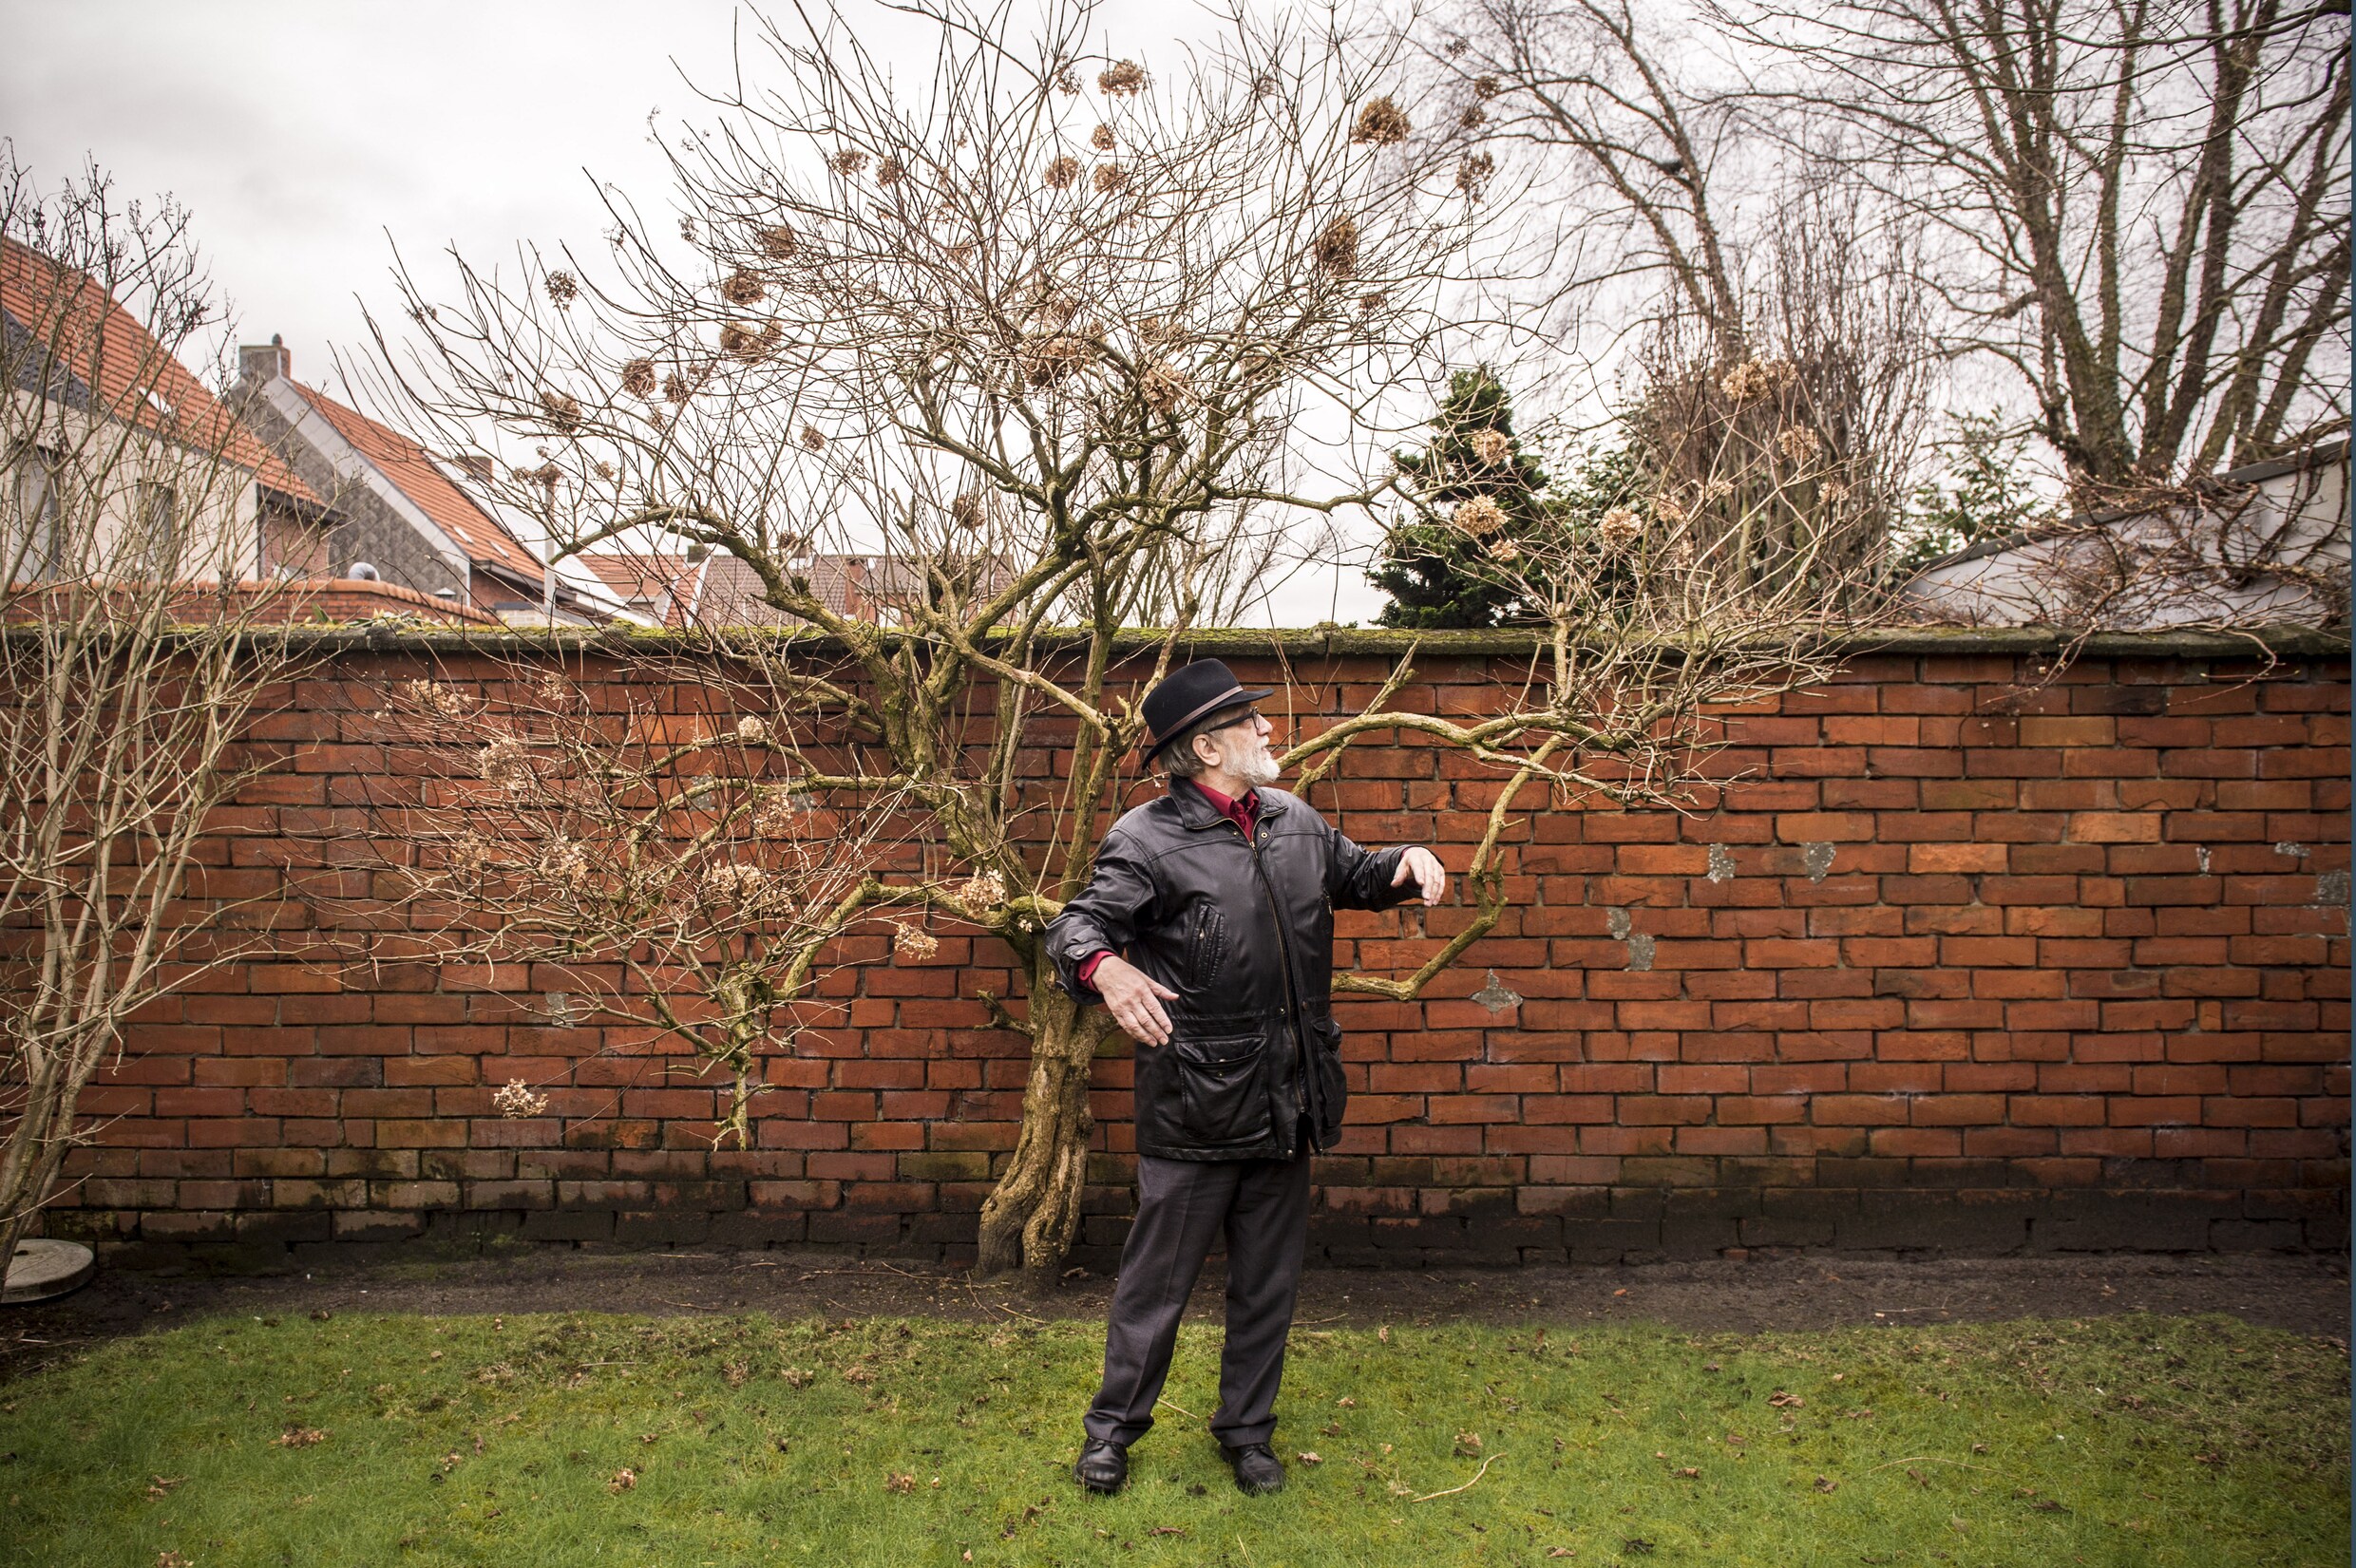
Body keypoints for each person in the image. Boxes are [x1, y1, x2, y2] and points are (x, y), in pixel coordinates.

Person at [1044, 658, 1447, 1498]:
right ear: (1206, 745)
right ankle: (1111, 1433)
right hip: (1195, 1108)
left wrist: (1405, 858)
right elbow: (1077, 927)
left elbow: (1356, 874)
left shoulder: (1295, 820)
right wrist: (1109, 973)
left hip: (1287, 1100)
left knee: (1267, 1284)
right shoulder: (1146, 839)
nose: (1269, 729)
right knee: (1156, 1290)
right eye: (1250, 721)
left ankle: (1247, 1432)